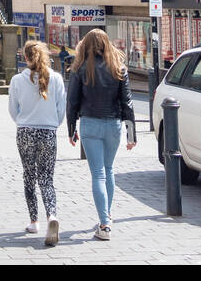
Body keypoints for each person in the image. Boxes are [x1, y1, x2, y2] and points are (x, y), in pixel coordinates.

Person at [66, 28, 137, 241]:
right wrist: (131, 134)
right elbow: (128, 103)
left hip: (90, 124)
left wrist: (71, 129)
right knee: (109, 169)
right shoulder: (119, 69)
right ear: (107, 44)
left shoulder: (79, 69)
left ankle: (104, 224)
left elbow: (72, 102)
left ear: (85, 45)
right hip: (113, 124)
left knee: (98, 173)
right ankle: (107, 215)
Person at [7, 39, 65, 246]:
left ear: (25, 57)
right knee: (47, 178)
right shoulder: (56, 79)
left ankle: (34, 221)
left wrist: (23, 122)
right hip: (48, 132)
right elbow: (61, 111)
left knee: (29, 175)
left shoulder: (17, 80)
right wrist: (52, 124)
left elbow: (13, 110)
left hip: (25, 132)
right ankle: (52, 215)